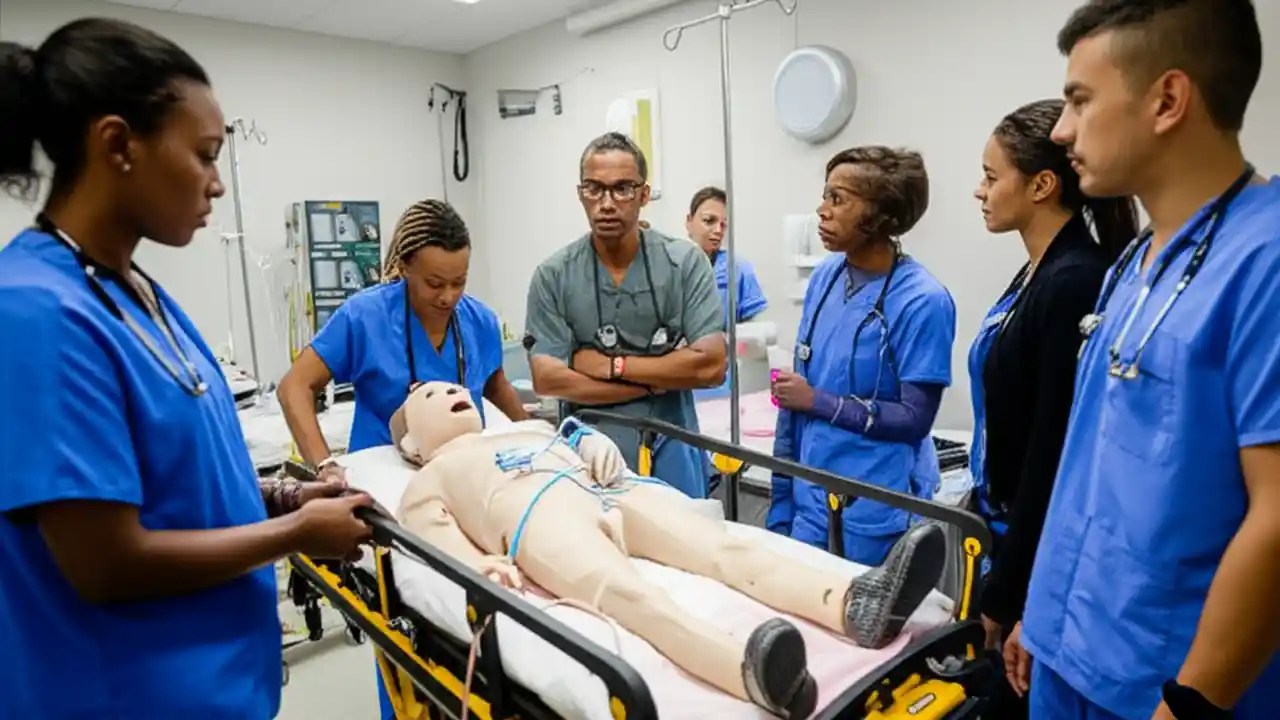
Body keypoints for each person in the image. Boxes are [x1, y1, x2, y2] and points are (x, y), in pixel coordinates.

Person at [0, 19, 371, 719]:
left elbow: (177, 480)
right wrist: (295, 536)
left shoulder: (136, 294)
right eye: (204, 156)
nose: (217, 185)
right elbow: (105, 563)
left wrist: (283, 498)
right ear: (118, 144)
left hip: (217, 688)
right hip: (118, 697)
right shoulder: (35, 311)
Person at [1003, 2, 1280, 719]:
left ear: (1167, 100)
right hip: (1069, 653)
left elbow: (1277, 515)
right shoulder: (1133, 262)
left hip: (1162, 684)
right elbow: (1091, 461)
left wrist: (1189, 706)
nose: (1062, 130)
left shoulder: (1266, 260)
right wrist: (1044, 609)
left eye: (1080, 100)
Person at [392, 380, 948, 719]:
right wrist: (479, 565)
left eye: (454, 388)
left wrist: (591, 441)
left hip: (606, 489)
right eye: (432, 397)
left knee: (721, 547)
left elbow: (575, 435)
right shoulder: (431, 476)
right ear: (414, 445)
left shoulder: (528, 431)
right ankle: (750, 673)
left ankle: (854, 603)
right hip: (537, 520)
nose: (453, 394)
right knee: (630, 596)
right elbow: (430, 532)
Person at [276, 197, 526, 719]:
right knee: (408, 638)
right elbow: (295, 387)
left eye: (459, 282)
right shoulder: (366, 316)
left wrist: (533, 438)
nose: (448, 296)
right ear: (405, 264)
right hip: (392, 491)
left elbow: (495, 384)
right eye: (434, 283)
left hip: (465, 482)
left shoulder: (477, 320)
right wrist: (325, 466)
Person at [968, 98, 1138, 718]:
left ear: (1041, 185)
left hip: (1036, 542)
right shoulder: (1036, 273)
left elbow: (1053, 453)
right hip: (1005, 524)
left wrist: (1010, 589)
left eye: (991, 177)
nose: (979, 191)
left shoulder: (1073, 282)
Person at [768, 147, 956, 567]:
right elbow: (793, 399)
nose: (822, 211)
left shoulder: (922, 300)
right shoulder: (826, 278)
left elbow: (915, 418)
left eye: (838, 199)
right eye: (825, 196)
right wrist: (781, 504)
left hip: (875, 510)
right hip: (810, 501)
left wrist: (819, 401)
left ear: (881, 215)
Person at [525, 132, 727, 499]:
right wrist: (652, 382)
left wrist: (612, 366)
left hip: (671, 448)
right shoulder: (554, 276)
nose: (606, 203)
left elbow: (711, 366)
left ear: (644, 195)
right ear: (580, 193)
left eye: (622, 189)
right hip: (588, 459)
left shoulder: (684, 263)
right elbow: (548, 378)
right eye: (594, 189)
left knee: (679, 530)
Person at [686, 185, 768, 328]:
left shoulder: (737, 269)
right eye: (709, 220)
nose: (718, 230)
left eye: (723, 225)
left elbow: (756, 327)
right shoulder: (670, 266)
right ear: (689, 221)